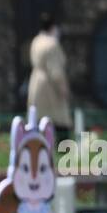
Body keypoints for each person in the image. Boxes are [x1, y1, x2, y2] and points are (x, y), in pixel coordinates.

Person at [28, 12, 72, 143]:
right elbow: (56, 71)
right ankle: (63, 149)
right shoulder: (52, 44)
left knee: (38, 118)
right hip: (50, 86)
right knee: (59, 118)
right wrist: (63, 89)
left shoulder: (36, 41)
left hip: (36, 83)